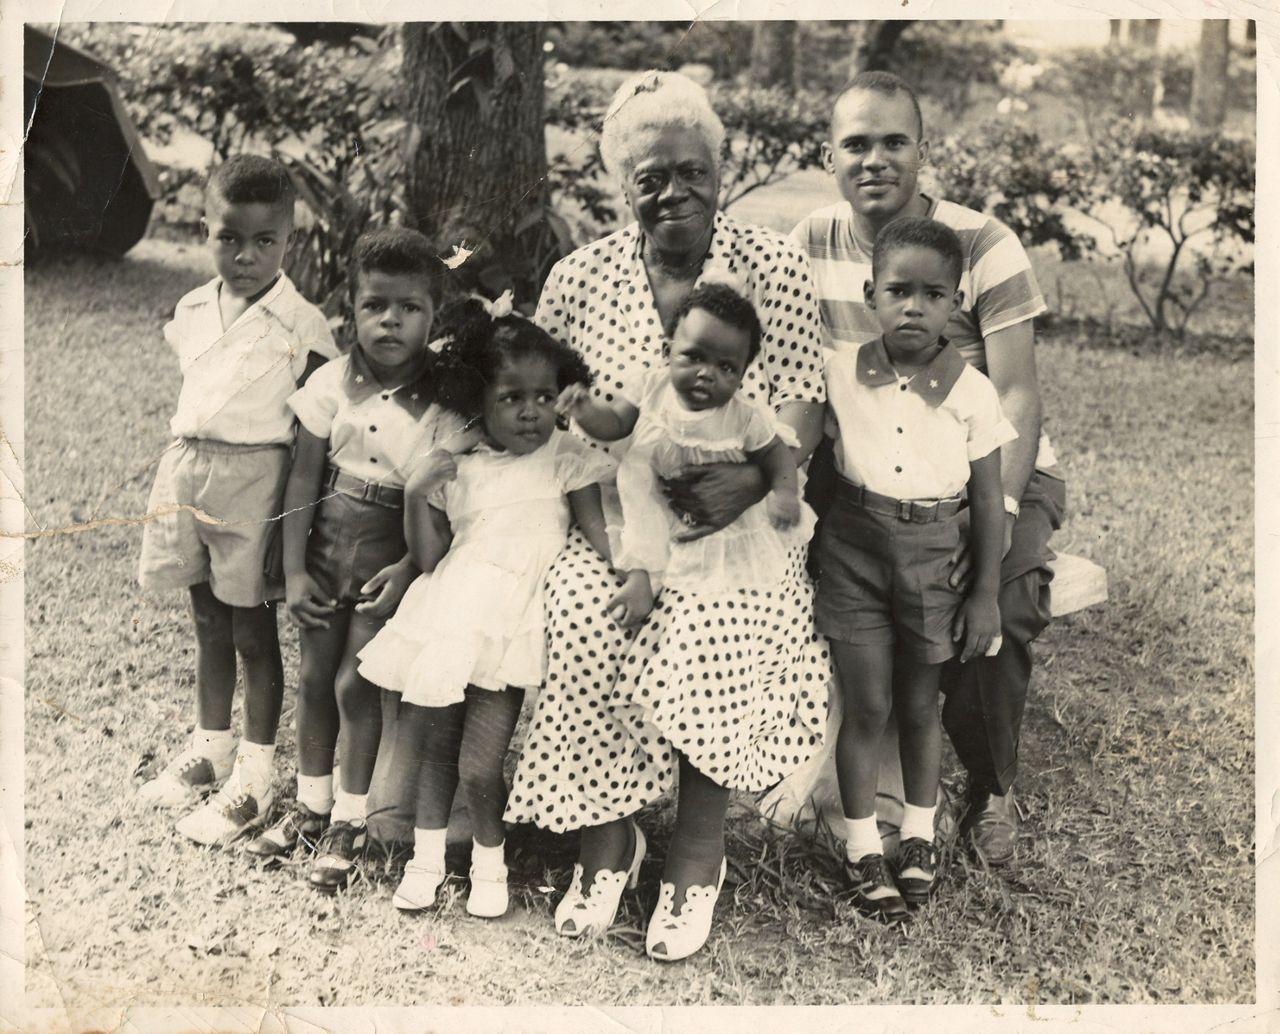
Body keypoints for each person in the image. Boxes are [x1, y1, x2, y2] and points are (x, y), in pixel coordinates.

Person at [503, 70, 830, 962]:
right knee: (582, 608)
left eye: (691, 170)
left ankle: (696, 851)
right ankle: (608, 837)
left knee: (715, 619)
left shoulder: (772, 265)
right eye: (651, 177)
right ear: (622, 185)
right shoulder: (579, 277)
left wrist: (755, 487)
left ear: (720, 170)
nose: (673, 191)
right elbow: (552, 410)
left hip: (743, 523)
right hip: (613, 515)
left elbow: (802, 399)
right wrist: (605, 531)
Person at [792, 71, 1066, 864]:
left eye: (893, 142)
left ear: (922, 151)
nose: (874, 159)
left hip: (991, 469)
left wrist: (999, 519)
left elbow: (1016, 394)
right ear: (829, 156)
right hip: (868, 473)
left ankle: (989, 785)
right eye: (855, 144)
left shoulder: (979, 243)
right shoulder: (810, 242)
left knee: (1001, 599)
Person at [357, 298, 616, 919]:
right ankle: (425, 863)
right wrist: (420, 493)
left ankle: (489, 863)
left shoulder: (566, 459)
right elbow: (429, 556)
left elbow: (600, 537)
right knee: (435, 751)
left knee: (480, 763)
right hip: (449, 613)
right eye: (511, 398)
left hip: (510, 624)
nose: (532, 411)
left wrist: (633, 573)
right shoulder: (461, 467)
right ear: (480, 401)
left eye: (544, 395)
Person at [248, 227, 465, 891]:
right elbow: (302, 484)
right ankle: (310, 807)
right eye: (375, 306)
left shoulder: (447, 402)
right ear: (352, 306)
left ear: (434, 314)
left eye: (409, 308)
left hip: (391, 554)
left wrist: (408, 573)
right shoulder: (329, 386)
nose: (391, 321)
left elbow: (450, 505)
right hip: (324, 546)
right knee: (315, 678)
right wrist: (292, 569)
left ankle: (351, 819)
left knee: (356, 683)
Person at [817, 218, 1015, 922]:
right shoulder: (838, 371)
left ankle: (919, 837)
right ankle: (863, 846)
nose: (913, 306)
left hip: (936, 553)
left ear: (956, 304)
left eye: (933, 294)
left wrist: (986, 591)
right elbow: (806, 456)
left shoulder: (973, 392)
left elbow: (989, 498)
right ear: (870, 294)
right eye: (897, 290)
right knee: (867, 704)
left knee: (918, 704)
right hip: (852, 549)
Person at [137, 155, 339, 846]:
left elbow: (317, 419)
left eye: (265, 241)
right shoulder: (193, 308)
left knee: (252, 631)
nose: (246, 256)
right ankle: (211, 746)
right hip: (189, 469)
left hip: (258, 480)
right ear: (205, 231)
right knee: (206, 617)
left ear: (290, 238)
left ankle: (252, 777)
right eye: (229, 239)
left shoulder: (303, 323)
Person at [557, 279, 813, 624]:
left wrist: (784, 491)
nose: (706, 374)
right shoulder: (650, 386)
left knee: (715, 572)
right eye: (693, 357)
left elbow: (775, 453)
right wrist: (586, 412)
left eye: (726, 368)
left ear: (741, 376)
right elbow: (615, 423)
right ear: (667, 352)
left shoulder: (742, 416)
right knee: (640, 523)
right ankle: (641, 579)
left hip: (715, 509)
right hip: (653, 494)